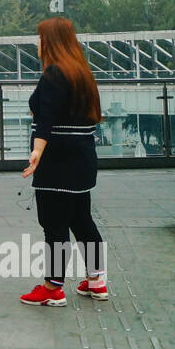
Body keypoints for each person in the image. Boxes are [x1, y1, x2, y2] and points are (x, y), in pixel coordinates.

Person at [20, 17, 106, 306]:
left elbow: (46, 118)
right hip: (82, 162)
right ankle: (97, 281)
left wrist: (36, 152)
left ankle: (53, 288)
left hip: (58, 164)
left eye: (41, 38)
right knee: (82, 220)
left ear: (52, 42)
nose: (38, 43)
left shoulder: (55, 74)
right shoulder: (82, 72)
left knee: (54, 225)